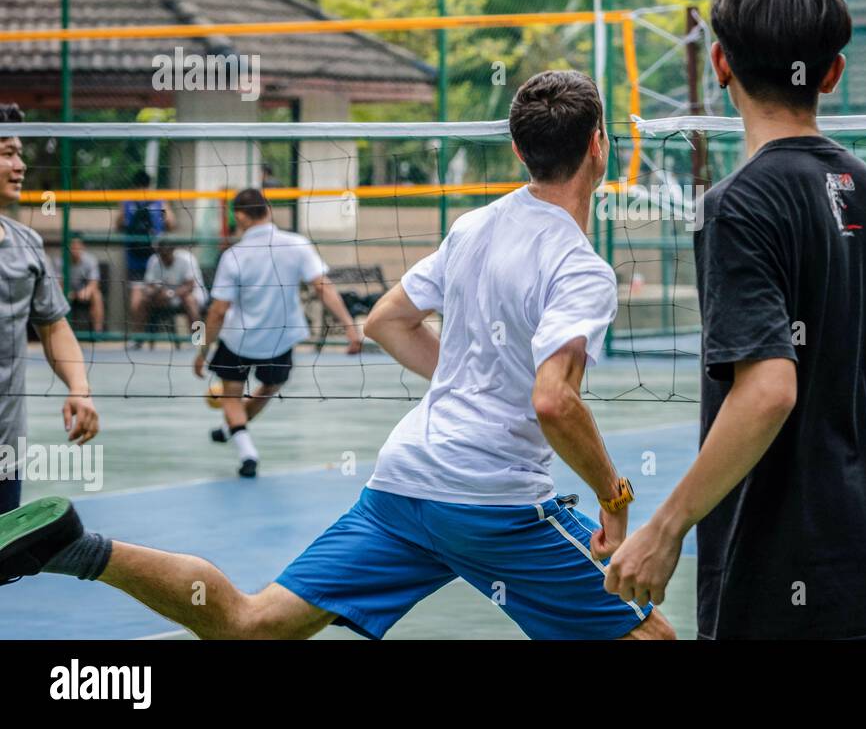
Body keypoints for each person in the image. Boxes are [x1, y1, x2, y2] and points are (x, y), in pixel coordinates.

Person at [0, 72, 674, 642]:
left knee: (249, 622)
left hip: (406, 483)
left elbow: (387, 321)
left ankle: (81, 549)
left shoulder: (476, 225)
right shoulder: (582, 268)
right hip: (490, 502)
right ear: (598, 146)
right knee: (650, 634)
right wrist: (614, 495)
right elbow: (554, 400)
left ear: (518, 149)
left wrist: (475, 383)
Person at [604, 0, 866, 639]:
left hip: (792, 571)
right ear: (832, 73)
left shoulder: (737, 207)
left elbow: (768, 392)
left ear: (721, 63)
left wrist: (666, 528)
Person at [195, 188, 361, 478]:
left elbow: (218, 311)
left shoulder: (233, 255)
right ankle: (237, 432)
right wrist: (350, 327)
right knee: (269, 387)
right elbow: (323, 287)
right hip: (279, 338)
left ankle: (244, 446)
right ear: (268, 211)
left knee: (231, 397)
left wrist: (201, 350)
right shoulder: (297, 244)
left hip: (238, 339)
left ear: (241, 217)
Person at [0, 104, 100, 515]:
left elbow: (54, 327)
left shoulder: (27, 245)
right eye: (8, 152)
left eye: (19, 152)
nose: (20, 165)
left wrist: (79, 388)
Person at [130, 238, 207, 333]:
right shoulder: (154, 260)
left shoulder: (186, 259)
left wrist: (170, 294)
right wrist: (154, 292)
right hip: (164, 297)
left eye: (166, 252)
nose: (164, 256)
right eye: (161, 253)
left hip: (191, 294)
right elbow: (149, 285)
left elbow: (189, 286)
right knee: (143, 301)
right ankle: (137, 338)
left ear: (173, 250)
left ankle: (198, 339)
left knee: (189, 300)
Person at [117, 171, 174, 286]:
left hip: (134, 253)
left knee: (136, 291)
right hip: (155, 254)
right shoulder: (159, 200)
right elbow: (171, 223)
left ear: (134, 184)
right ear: (149, 184)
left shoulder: (127, 201)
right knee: (155, 291)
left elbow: (118, 225)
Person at [66, 234, 104, 334]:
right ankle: (64, 333)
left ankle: (97, 332)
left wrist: (86, 291)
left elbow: (94, 282)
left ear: (82, 247)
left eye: (77, 246)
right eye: (72, 246)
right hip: (66, 292)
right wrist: (66, 293)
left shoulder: (90, 260)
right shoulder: (61, 261)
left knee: (97, 295)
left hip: (84, 292)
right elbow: (58, 283)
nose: (75, 249)